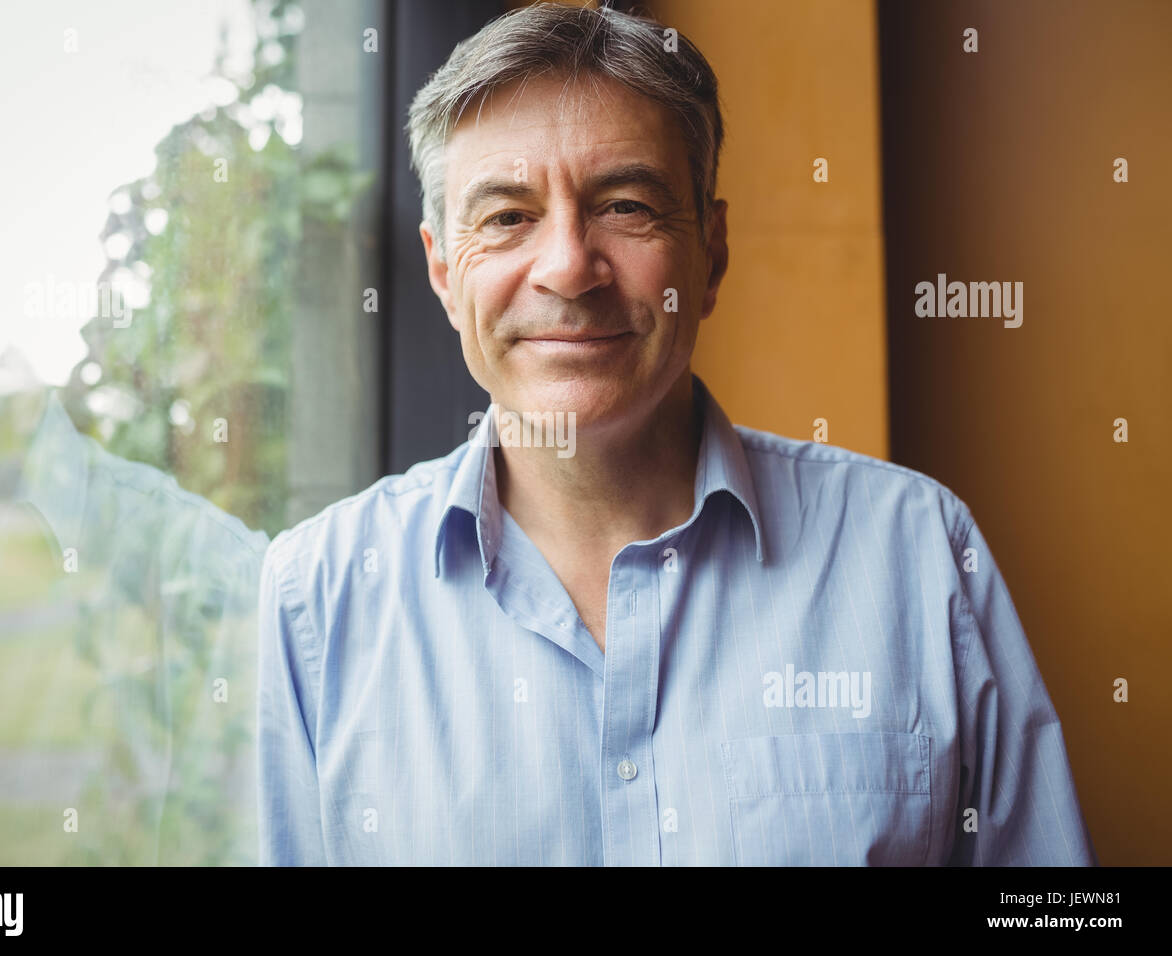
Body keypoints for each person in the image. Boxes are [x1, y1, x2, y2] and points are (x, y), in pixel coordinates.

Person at [257, 2, 1096, 865]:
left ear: (713, 253)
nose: (567, 269)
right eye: (506, 216)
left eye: (625, 206)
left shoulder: (920, 553)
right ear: (443, 268)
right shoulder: (316, 599)